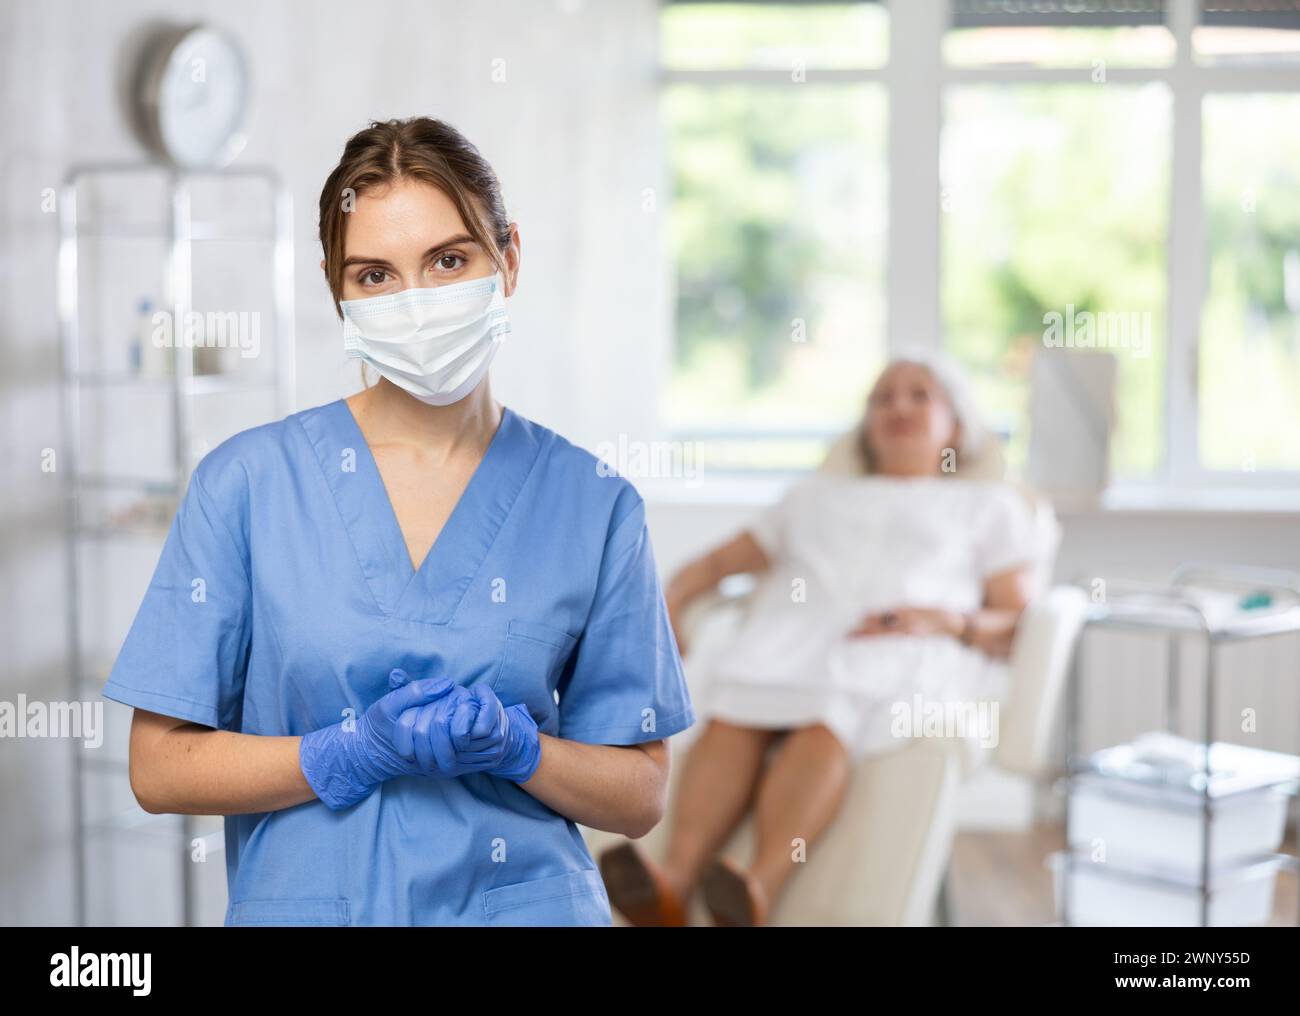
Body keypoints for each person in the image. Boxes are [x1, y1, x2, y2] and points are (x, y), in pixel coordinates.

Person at [102, 116, 695, 926]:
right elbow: (158, 769)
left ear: (508, 259)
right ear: (337, 290)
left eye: (449, 261)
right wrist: (341, 753)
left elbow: (639, 796)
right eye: (375, 275)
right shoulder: (247, 483)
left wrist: (524, 750)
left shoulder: (593, 504)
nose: (416, 303)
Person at [598, 351, 1038, 926]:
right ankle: (674, 884)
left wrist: (949, 621)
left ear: (956, 424)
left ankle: (758, 887)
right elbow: (713, 564)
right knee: (736, 705)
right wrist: (673, 604)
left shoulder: (988, 505)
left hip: (895, 645)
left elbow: (1019, 624)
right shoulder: (815, 496)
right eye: (882, 398)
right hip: (793, 638)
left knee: (828, 708)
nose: (897, 406)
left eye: (918, 395)